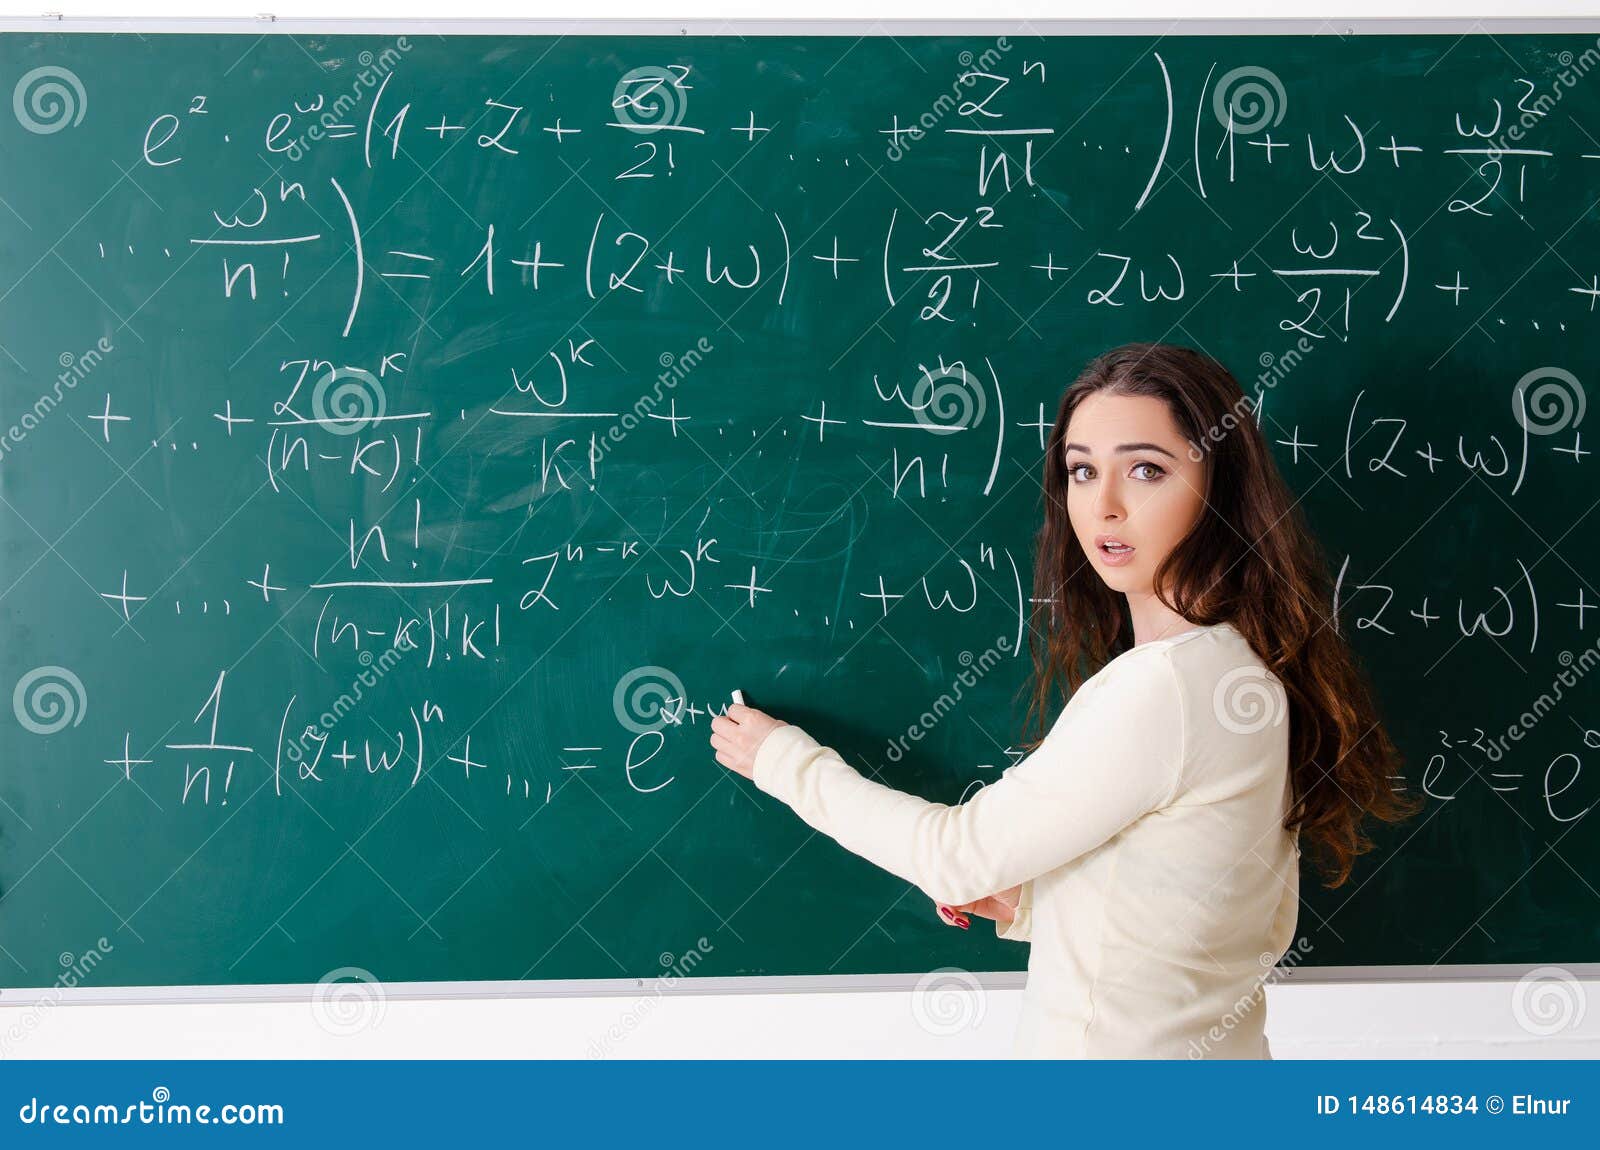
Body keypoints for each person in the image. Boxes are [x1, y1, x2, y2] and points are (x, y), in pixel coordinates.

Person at [709, 342, 1422, 1058]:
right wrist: (1028, 907)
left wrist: (778, 757)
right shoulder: (1245, 674)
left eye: (1146, 469)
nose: (1104, 506)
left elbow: (953, 856)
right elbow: (1203, 918)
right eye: (1082, 470)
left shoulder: (1164, 687)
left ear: (1221, 487)